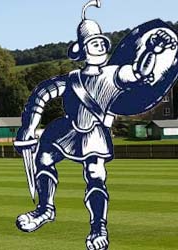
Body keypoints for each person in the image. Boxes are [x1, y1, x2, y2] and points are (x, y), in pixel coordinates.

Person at [13, 1, 178, 249]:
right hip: (67, 130)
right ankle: (45, 209)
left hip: (94, 134)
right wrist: (29, 127)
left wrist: (152, 50)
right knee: (44, 157)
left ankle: (98, 227)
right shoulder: (71, 79)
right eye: (94, 42)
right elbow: (42, 93)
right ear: (82, 50)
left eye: (102, 41)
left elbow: (139, 73)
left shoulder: (114, 74)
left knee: (94, 175)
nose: (100, 45)